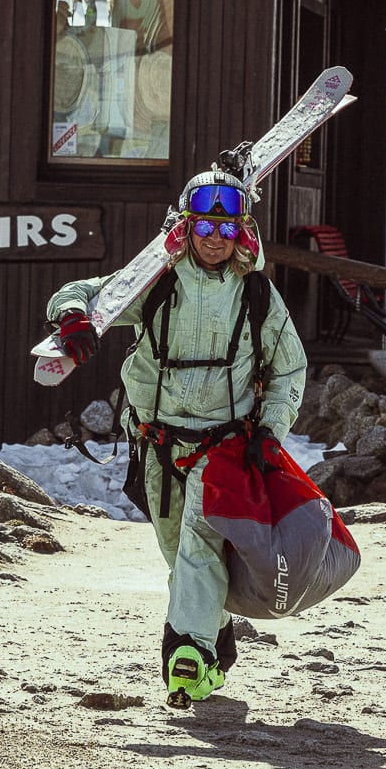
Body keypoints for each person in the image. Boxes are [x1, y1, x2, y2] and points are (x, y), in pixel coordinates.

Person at [43, 167, 307, 707]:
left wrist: (269, 434)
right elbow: (86, 293)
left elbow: (290, 372)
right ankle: (216, 642)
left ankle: (185, 655)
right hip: (154, 442)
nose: (214, 238)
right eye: (204, 227)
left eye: (226, 228)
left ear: (243, 233)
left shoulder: (257, 295)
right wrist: (73, 318)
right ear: (185, 229)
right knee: (176, 552)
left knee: (199, 544)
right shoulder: (155, 283)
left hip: (226, 447)